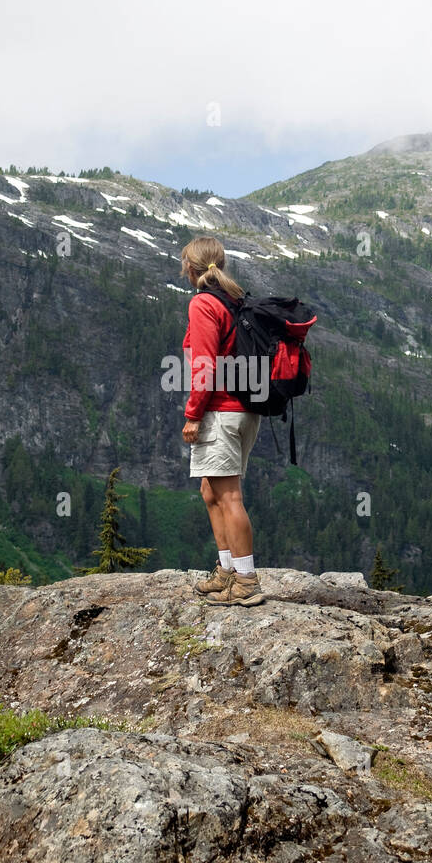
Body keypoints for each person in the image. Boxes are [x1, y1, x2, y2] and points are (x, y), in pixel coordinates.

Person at [180, 236, 264, 605]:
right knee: (210, 491)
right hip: (246, 411)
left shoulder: (204, 304)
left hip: (221, 412)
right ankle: (227, 571)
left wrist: (193, 415)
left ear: (191, 268)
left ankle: (246, 581)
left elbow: (204, 365)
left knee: (229, 496)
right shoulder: (235, 300)